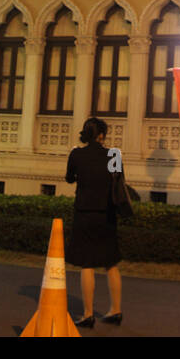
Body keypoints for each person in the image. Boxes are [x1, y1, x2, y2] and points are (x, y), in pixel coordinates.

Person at [65, 117, 123, 327]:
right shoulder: (114, 155)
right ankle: (116, 310)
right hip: (107, 214)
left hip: (85, 213)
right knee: (111, 263)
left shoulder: (76, 154)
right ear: (102, 135)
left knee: (87, 263)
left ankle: (88, 314)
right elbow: (119, 181)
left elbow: (69, 178)